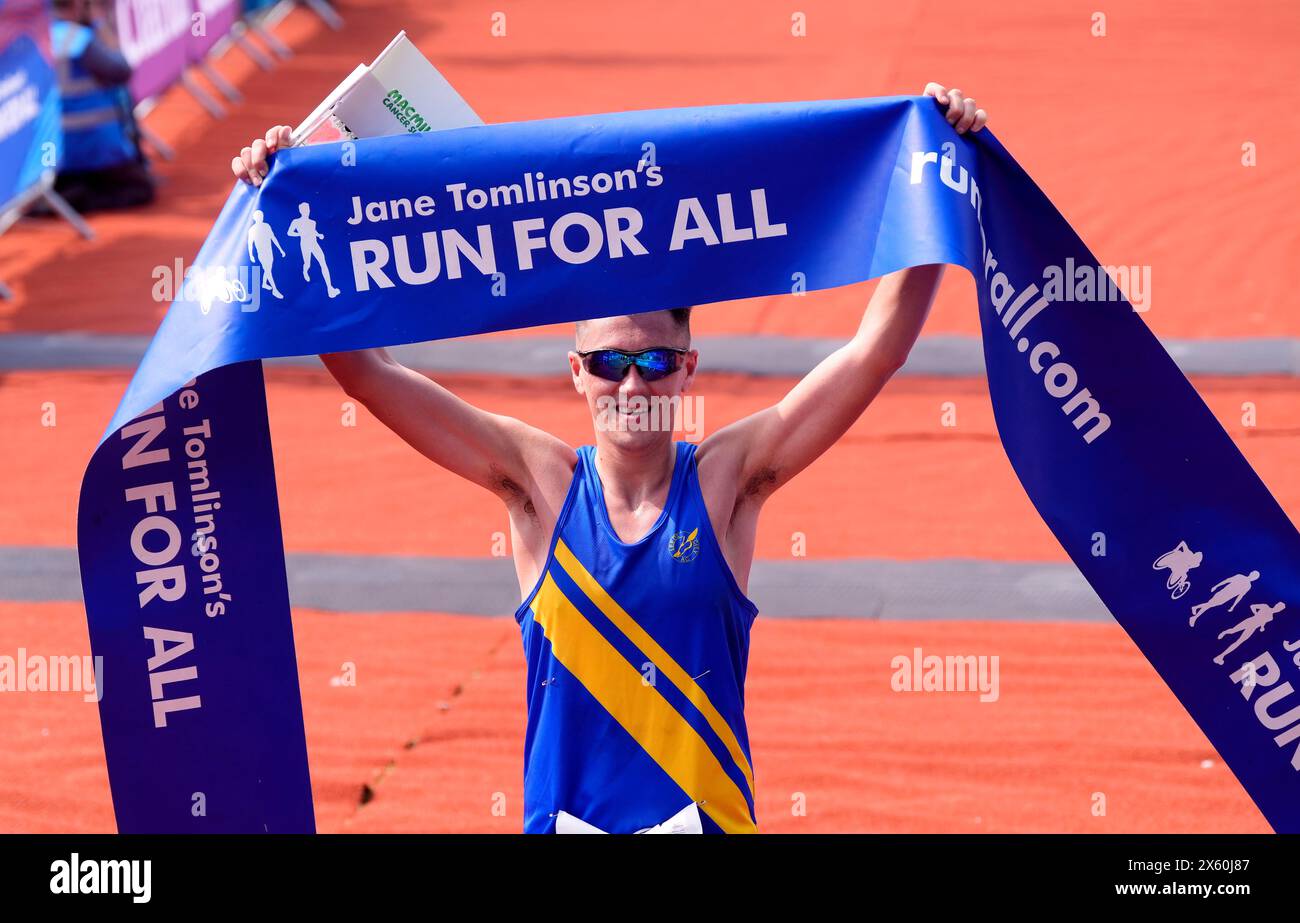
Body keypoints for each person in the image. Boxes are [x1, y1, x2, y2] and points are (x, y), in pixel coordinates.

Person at [232, 83, 989, 834]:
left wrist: (937, 172)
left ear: (689, 367)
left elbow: (875, 350)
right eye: (608, 363)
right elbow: (370, 376)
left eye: (656, 361)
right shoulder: (539, 482)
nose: (631, 384)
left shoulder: (727, 480)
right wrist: (293, 208)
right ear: (574, 370)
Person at [49, 0, 154, 212]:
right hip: (97, 148)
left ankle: (69, 196)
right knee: (142, 190)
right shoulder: (79, 39)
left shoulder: (40, 38)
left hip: (59, 154)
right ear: (78, 5)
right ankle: (80, 200)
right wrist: (102, 28)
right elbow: (121, 70)